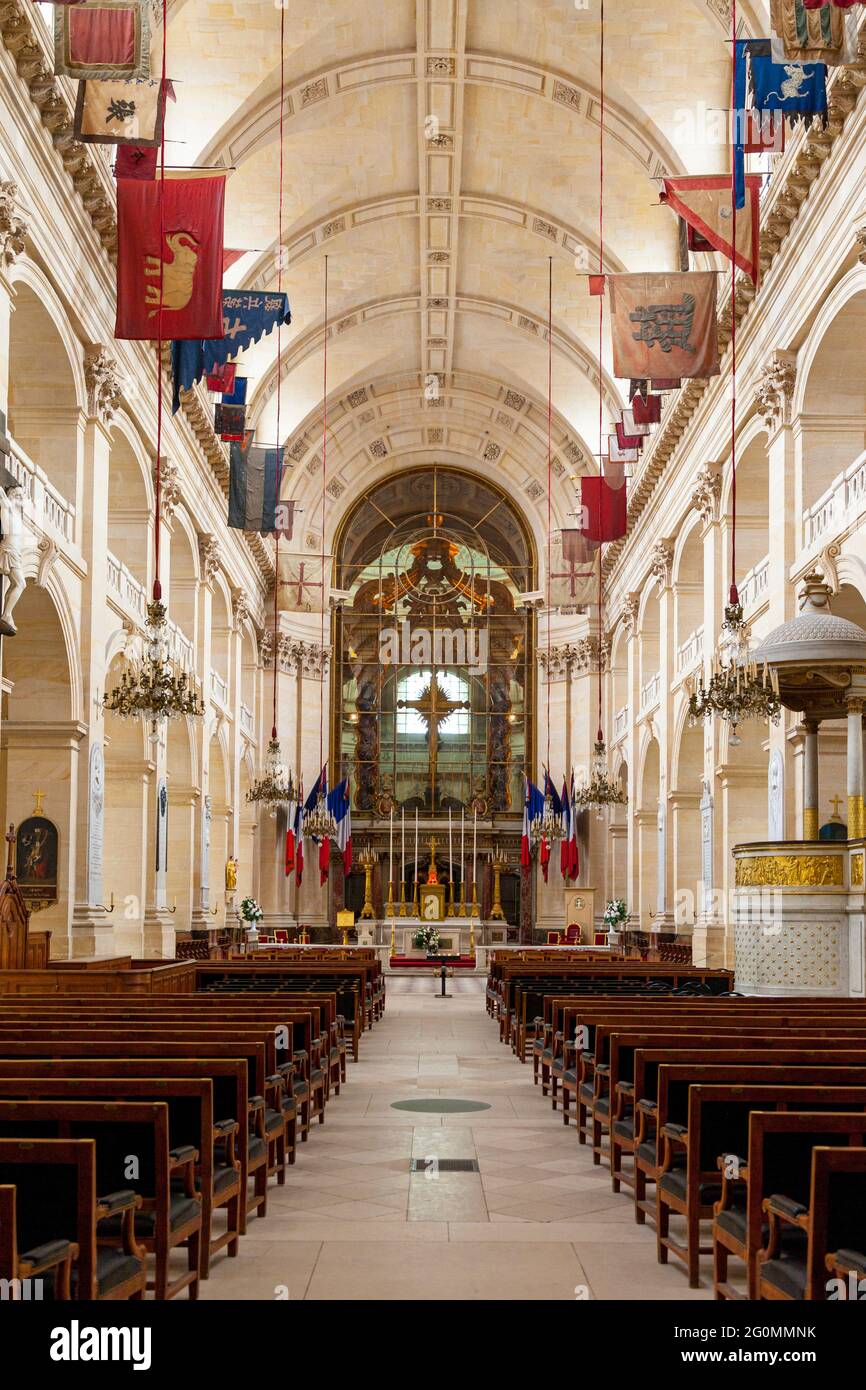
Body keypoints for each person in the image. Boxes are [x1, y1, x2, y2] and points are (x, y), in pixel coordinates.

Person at [0, 480, 27, 637]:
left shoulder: (16, 514)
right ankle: (6, 615)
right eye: (17, 496)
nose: (20, 499)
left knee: (14, 585)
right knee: (20, 583)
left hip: (15, 551)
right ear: (10, 497)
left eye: (21, 496)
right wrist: (7, 499)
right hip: (9, 550)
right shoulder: (7, 507)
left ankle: (7, 614)